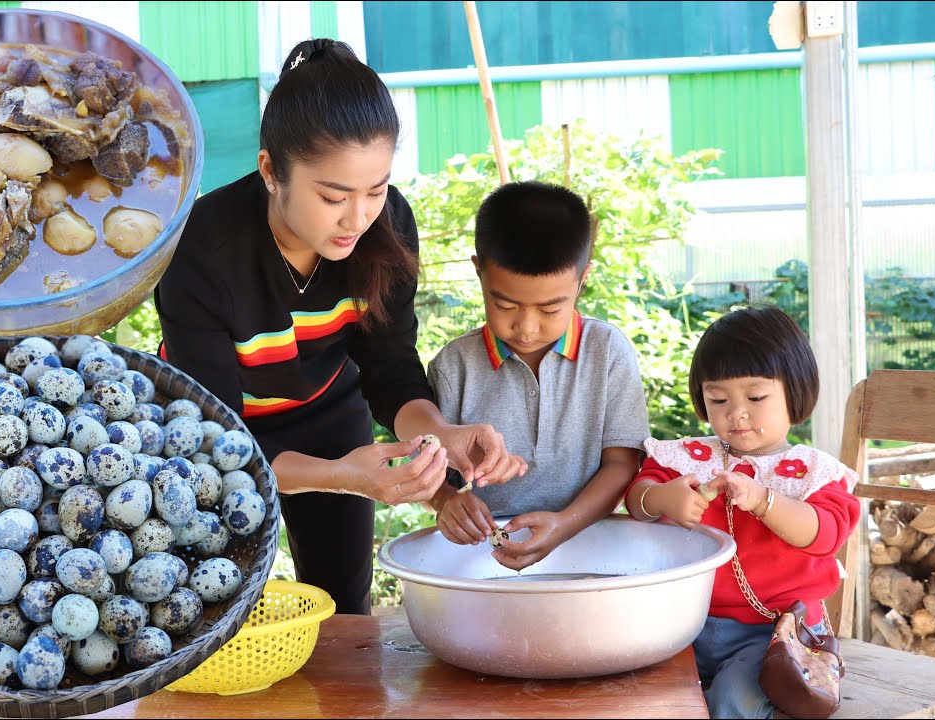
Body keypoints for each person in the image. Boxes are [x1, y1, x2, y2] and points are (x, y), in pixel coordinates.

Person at [154, 38, 524, 614]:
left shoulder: (389, 224)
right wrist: (341, 475)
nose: (358, 217)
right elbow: (214, 437)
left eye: (375, 190)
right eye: (333, 196)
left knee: (343, 610)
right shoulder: (201, 249)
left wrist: (438, 435)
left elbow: (391, 367)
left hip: (329, 412)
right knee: (207, 610)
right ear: (271, 171)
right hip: (214, 430)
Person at [623, 305, 859, 719]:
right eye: (718, 398)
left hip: (778, 633)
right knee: (643, 689)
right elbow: (637, 497)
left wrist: (765, 502)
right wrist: (665, 499)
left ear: (795, 392)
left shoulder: (812, 472)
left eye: (755, 397)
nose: (736, 412)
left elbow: (825, 534)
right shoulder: (690, 457)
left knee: (734, 700)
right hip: (685, 623)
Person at [426, 181, 648, 571]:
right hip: (487, 559)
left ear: (583, 280)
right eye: (505, 303)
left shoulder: (608, 352)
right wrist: (446, 502)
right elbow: (428, 469)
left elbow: (622, 464)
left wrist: (565, 525)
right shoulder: (454, 367)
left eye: (550, 309)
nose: (527, 328)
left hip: (589, 548)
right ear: (479, 272)